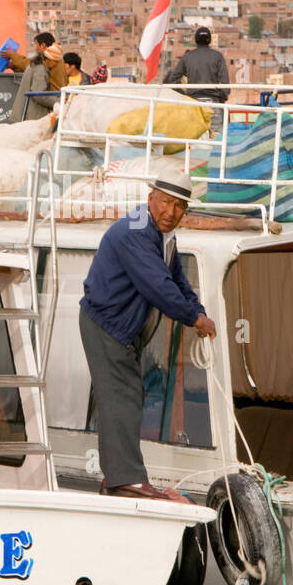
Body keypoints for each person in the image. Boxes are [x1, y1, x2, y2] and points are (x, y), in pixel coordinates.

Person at [79, 168, 217, 504]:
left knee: (127, 397)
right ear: (150, 198)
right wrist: (194, 320)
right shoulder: (137, 233)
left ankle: (119, 478)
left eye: (179, 206)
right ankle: (125, 479)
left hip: (119, 329)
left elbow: (177, 281)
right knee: (121, 399)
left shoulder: (162, 235)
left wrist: (197, 309)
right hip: (106, 325)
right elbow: (159, 286)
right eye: (166, 203)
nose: (171, 212)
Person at [163, 27, 230, 103]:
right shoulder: (218, 56)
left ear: (196, 40)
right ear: (210, 40)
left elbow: (172, 80)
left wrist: (184, 95)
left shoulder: (187, 57)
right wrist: (221, 99)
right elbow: (225, 82)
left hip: (193, 101)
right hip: (213, 100)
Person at [1, 32, 68, 93]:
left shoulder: (50, 57)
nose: (35, 49)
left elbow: (31, 65)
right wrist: (14, 66)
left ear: (43, 45)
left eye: (36, 45)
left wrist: (13, 55)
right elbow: (30, 69)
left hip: (54, 96)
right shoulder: (55, 55)